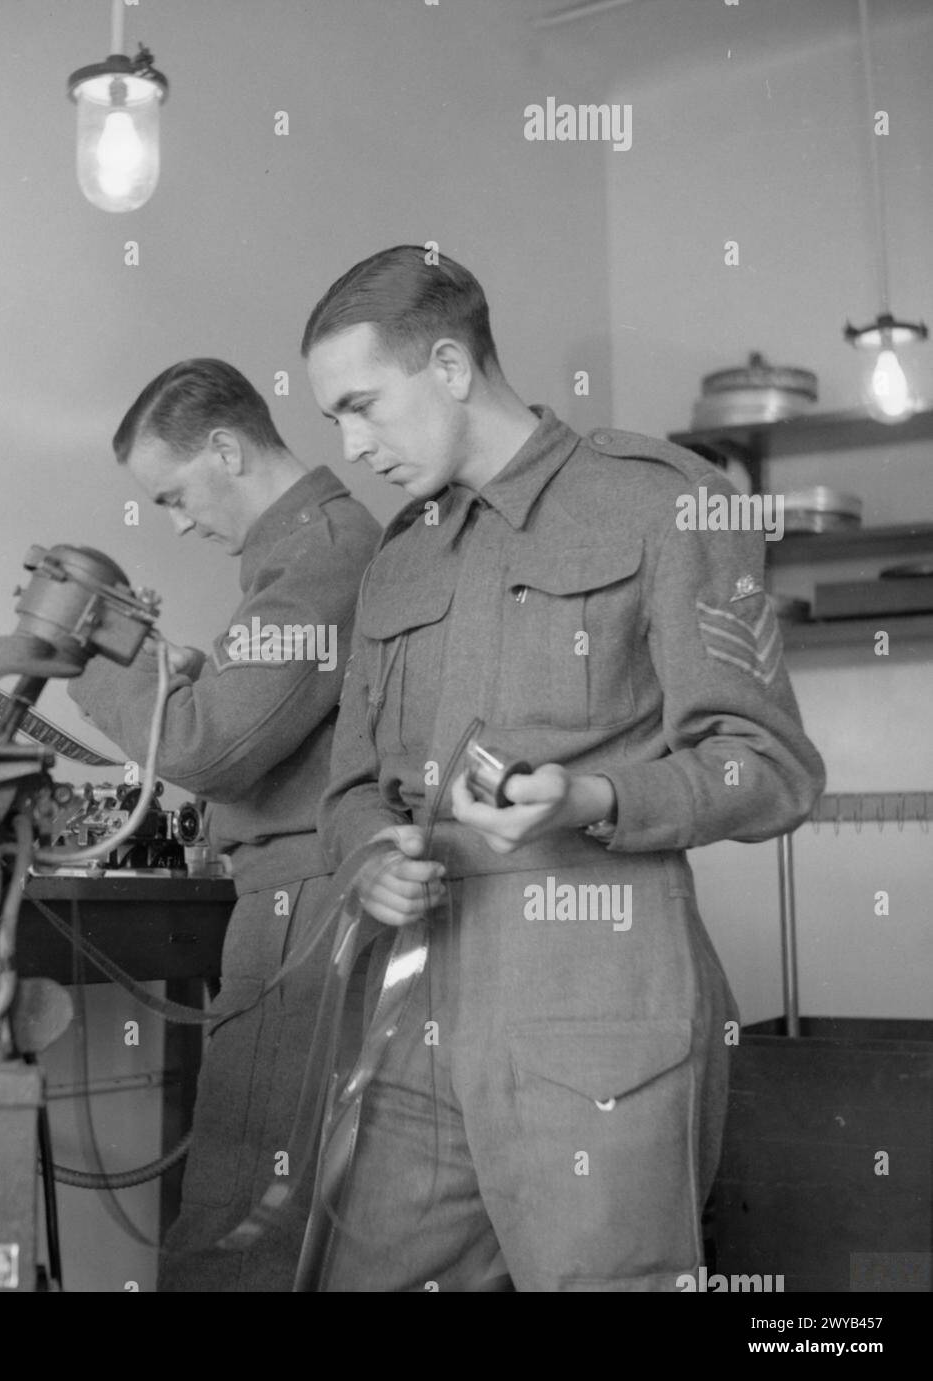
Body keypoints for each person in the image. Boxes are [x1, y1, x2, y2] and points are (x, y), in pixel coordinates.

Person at [301, 246, 826, 1292]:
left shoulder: (664, 504)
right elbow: (349, 789)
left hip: (599, 1011)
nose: (354, 446)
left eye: (363, 406)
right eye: (335, 422)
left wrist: (597, 797)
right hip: (411, 1011)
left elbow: (767, 767)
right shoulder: (399, 557)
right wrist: (367, 853)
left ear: (449, 364)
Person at [67, 357, 382, 1291]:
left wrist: (82, 651)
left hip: (300, 903)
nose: (177, 522)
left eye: (173, 494)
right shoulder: (298, 555)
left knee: (242, 1209)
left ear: (226, 448)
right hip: (292, 891)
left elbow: (210, 749)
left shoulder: (324, 553)